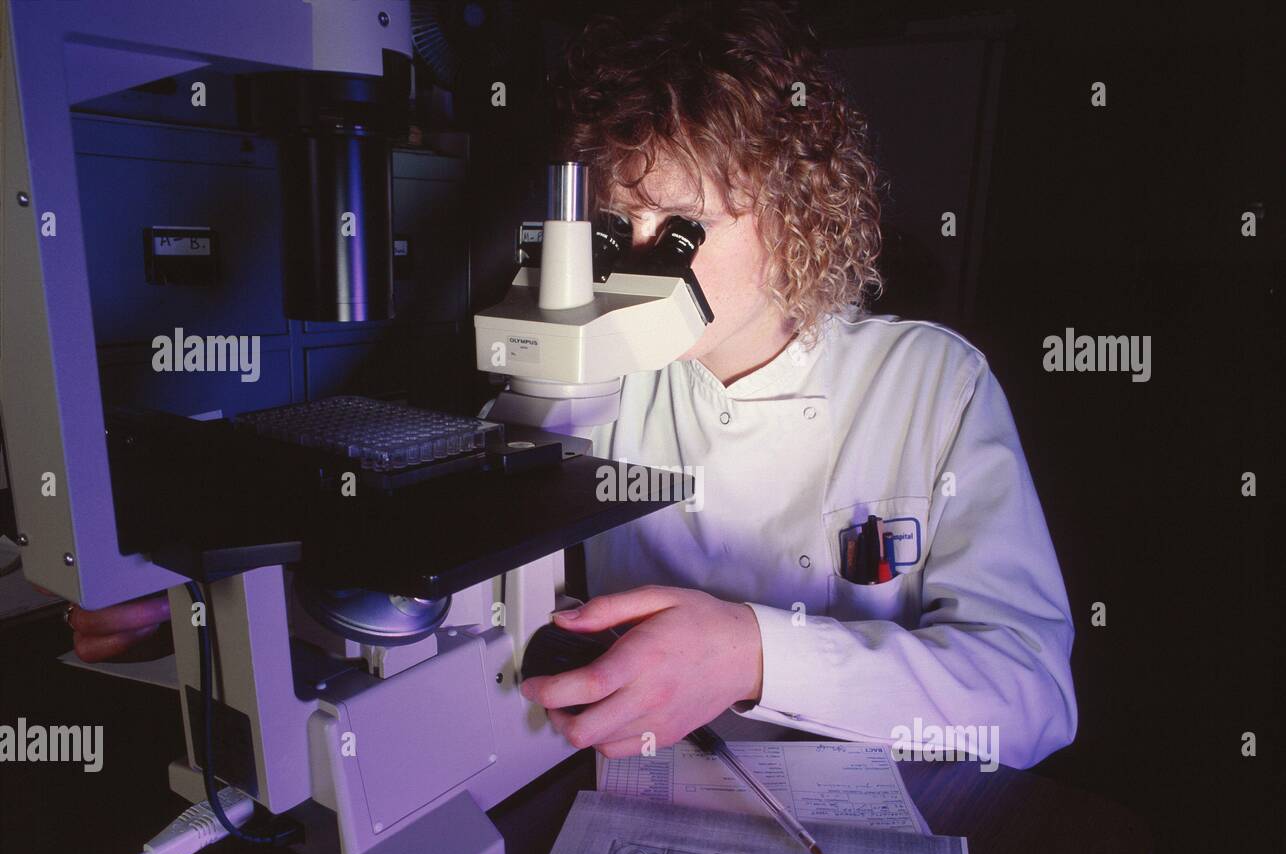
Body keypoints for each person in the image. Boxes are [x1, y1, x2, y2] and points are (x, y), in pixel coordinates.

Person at [66, 1, 1076, 770]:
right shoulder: (609, 366)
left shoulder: (930, 385)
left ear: (794, 214)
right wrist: (205, 614)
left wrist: (755, 655)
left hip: (866, 808)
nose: (632, 264)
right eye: (612, 228)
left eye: (678, 228)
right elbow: (449, 578)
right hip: (614, 780)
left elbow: (1030, 698)